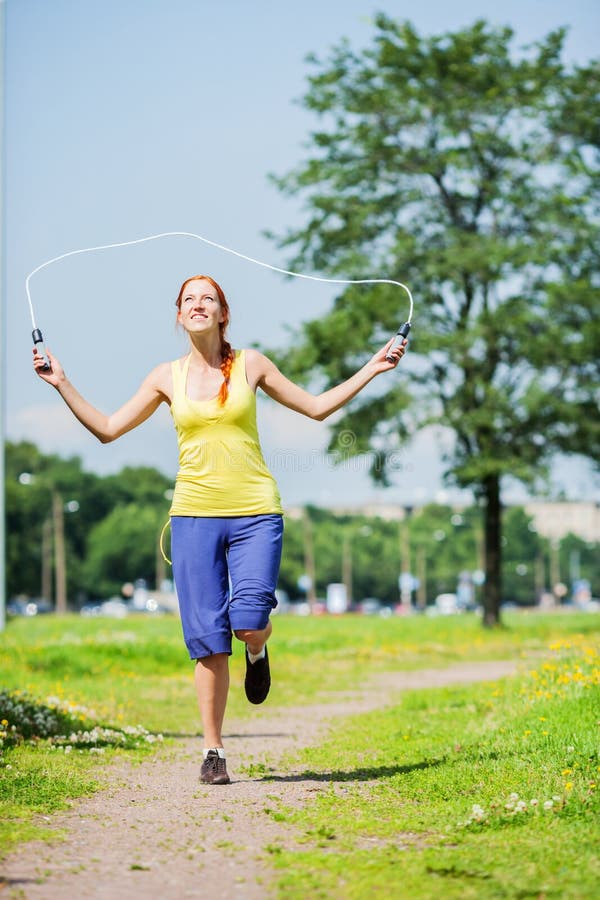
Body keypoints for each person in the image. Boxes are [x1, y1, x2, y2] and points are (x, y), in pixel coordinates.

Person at [33, 274, 407, 785]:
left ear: (223, 312)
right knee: (208, 641)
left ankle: (259, 648)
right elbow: (107, 429)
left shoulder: (251, 364)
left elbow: (316, 408)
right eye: (189, 299)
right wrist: (61, 382)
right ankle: (214, 751)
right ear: (179, 315)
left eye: (208, 297)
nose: (198, 304)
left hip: (255, 512)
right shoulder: (166, 377)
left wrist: (375, 366)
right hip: (192, 517)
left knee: (249, 620)